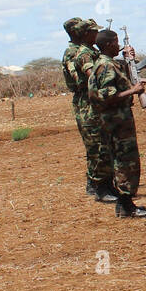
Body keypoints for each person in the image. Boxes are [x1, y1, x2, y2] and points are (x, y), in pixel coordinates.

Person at [89, 29, 146, 218]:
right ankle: (126, 206)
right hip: (117, 121)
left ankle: (125, 204)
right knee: (125, 162)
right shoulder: (106, 66)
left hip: (115, 120)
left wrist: (128, 60)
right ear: (108, 45)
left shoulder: (104, 63)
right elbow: (108, 96)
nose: (118, 46)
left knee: (122, 161)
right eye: (116, 43)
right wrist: (133, 91)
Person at [62, 17, 117, 203]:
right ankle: (98, 186)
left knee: (102, 144)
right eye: (94, 32)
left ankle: (103, 184)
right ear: (85, 33)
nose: (97, 35)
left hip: (94, 100)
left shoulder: (89, 51)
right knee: (96, 145)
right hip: (87, 102)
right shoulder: (77, 53)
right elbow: (89, 76)